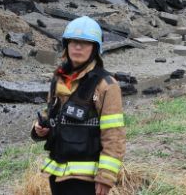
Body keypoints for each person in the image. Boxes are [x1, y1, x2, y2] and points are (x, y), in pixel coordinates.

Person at [32, 17, 125, 194]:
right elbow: (50, 114)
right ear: (66, 45)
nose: (78, 47)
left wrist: (106, 177)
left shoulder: (106, 85)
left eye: (85, 43)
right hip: (57, 173)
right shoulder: (59, 79)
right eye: (74, 42)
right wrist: (39, 128)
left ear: (95, 49)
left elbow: (114, 135)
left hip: (86, 180)